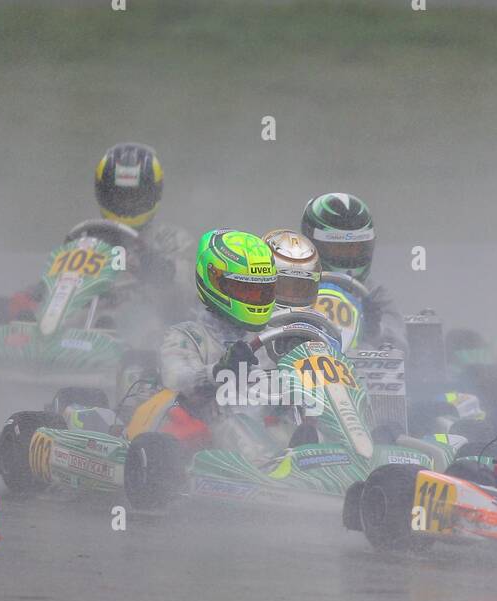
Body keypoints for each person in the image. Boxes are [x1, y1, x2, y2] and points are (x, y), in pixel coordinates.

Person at [157, 229, 282, 464]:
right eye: (247, 290)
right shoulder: (188, 335)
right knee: (233, 420)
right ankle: (267, 468)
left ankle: (329, 465)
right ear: (215, 282)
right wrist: (219, 370)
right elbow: (177, 381)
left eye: (263, 291)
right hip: (208, 432)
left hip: (264, 425)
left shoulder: (273, 338)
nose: (256, 298)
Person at [94, 142, 193, 318]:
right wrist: (38, 292)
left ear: (153, 193)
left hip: (149, 330)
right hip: (88, 326)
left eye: (134, 196)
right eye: (118, 195)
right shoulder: (91, 238)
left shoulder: (171, 238)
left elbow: (189, 290)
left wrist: (160, 268)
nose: (126, 202)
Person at [300, 192, 404, 349]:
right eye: (339, 249)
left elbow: (401, 349)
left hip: (359, 371)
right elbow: (263, 351)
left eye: (355, 249)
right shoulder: (290, 288)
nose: (348, 256)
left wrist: (375, 330)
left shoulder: (373, 294)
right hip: (297, 367)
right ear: (311, 244)